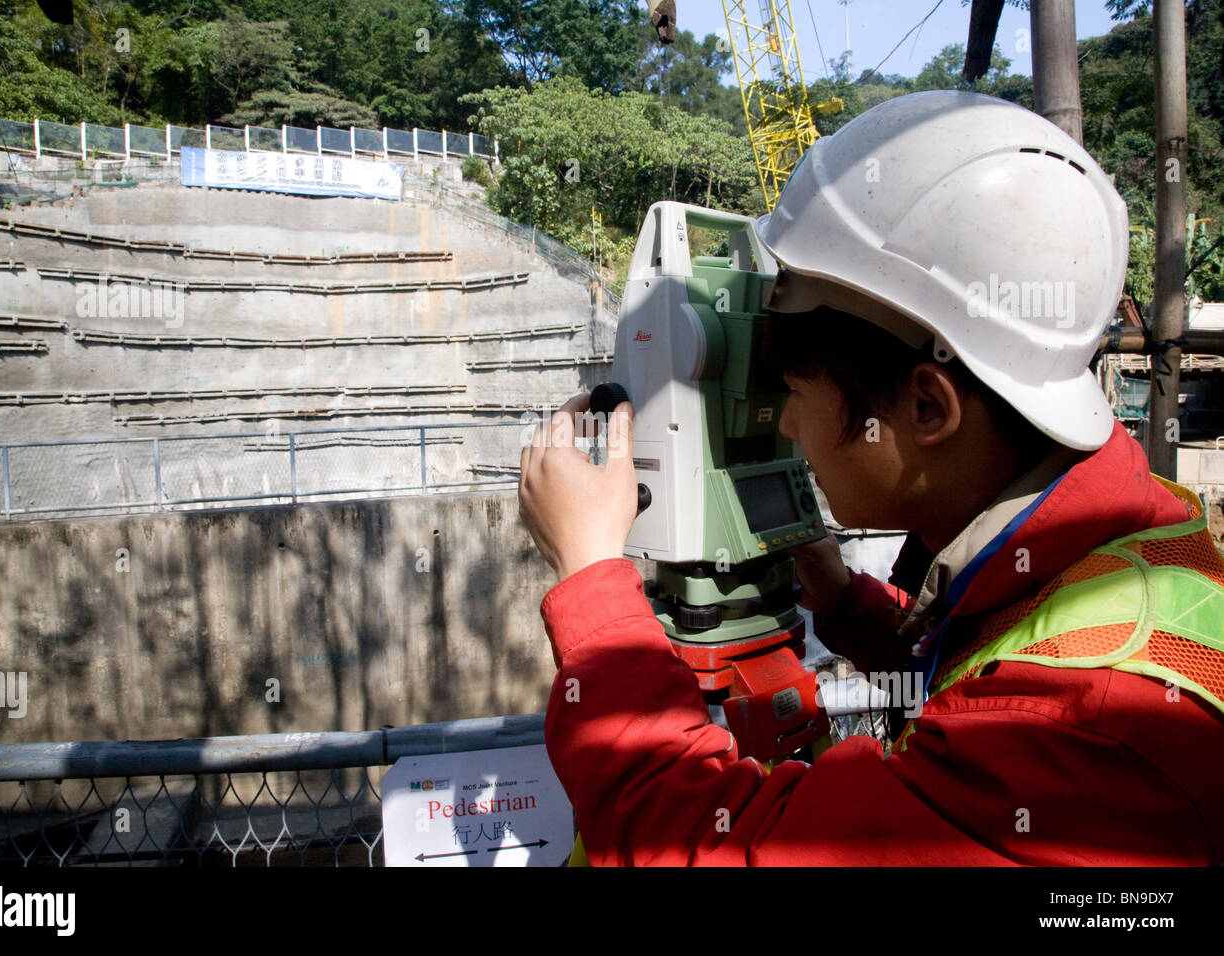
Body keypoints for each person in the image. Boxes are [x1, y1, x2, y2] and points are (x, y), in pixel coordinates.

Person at [517, 91, 1224, 865]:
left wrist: (591, 583)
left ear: (927, 405)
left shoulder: (1086, 726)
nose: (784, 423)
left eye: (795, 387)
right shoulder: (1133, 546)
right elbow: (991, 673)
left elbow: (711, 850)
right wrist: (852, 606)